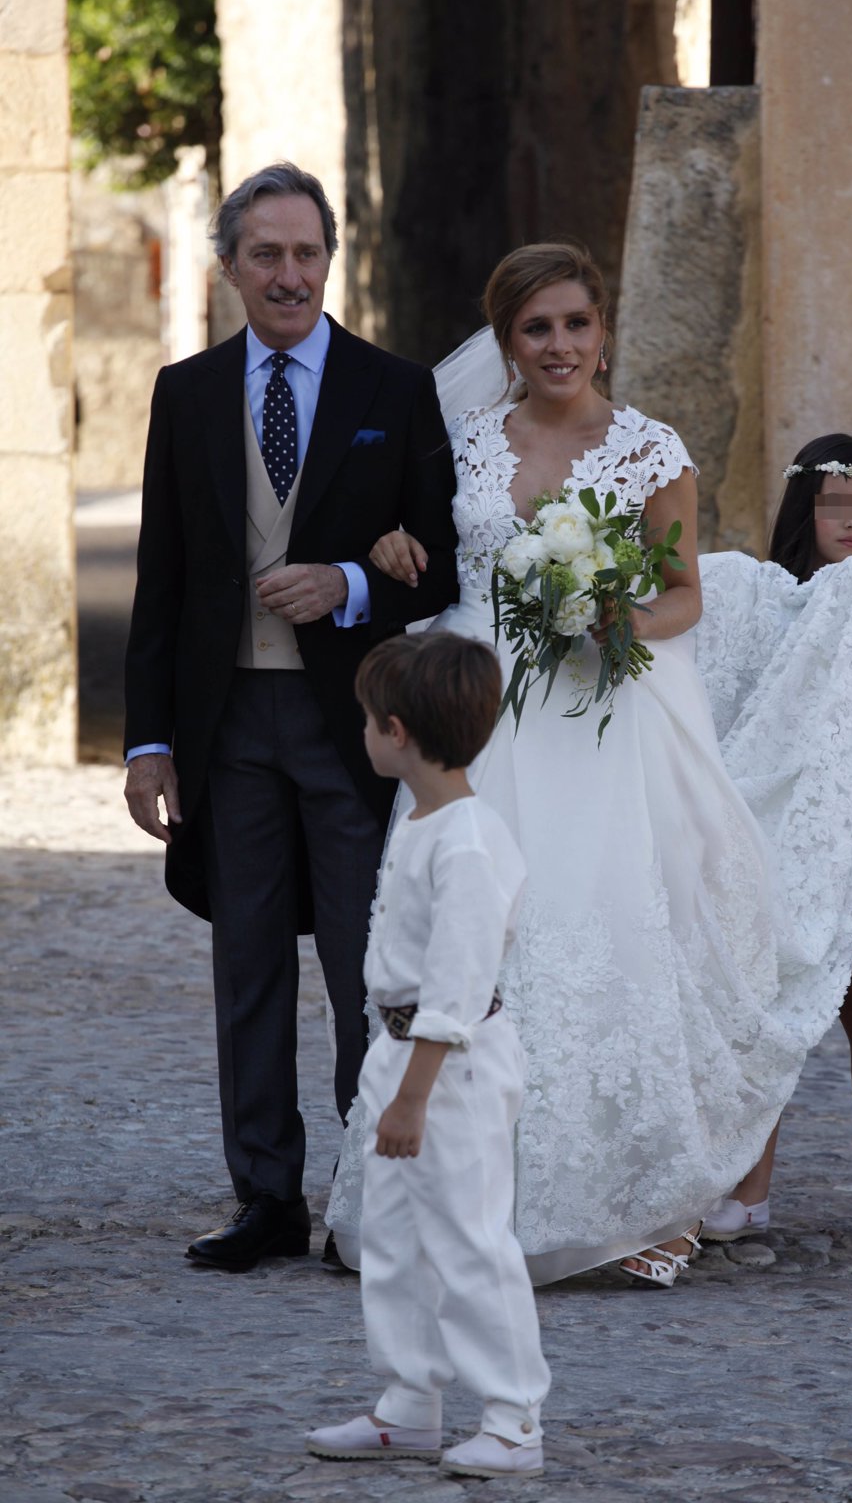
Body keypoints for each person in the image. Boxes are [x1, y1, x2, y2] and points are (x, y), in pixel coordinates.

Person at [327, 242, 850, 1287]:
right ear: (507, 342)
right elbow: (419, 539)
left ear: (602, 330)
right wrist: (389, 548)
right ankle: (443, 1183)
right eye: (536, 328)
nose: (558, 345)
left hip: (601, 717)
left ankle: (631, 1197)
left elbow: (683, 596)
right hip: (476, 715)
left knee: (596, 933)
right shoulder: (464, 438)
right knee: (478, 936)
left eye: (574, 323)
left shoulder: (651, 451)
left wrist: (609, 613)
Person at [123, 161, 458, 1270]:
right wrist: (150, 739)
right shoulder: (188, 392)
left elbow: (441, 562)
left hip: (356, 724)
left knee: (368, 967)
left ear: (330, 258)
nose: (289, 274)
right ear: (229, 270)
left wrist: (348, 587)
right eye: (265, 254)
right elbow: (162, 578)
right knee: (250, 966)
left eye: (306, 252)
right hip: (228, 732)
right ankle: (263, 1196)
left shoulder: (394, 388)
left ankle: (370, 1192)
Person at [306, 633, 549, 1480]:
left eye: (369, 721)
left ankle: (514, 1420)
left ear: (398, 731)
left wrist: (413, 1096)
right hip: (400, 1052)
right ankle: (410, 1402)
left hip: (452, 1068)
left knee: (469, 1237)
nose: (363, 732)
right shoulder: (423, 818)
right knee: (397, 1234)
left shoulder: (470, 842)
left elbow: (457, 982)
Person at [702, 435, 852, 1253]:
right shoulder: (773, 598)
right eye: (835, 503)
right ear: (805, 507)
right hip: (783, 802)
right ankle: (751, 1190)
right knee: (769, 994)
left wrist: (849, 606)